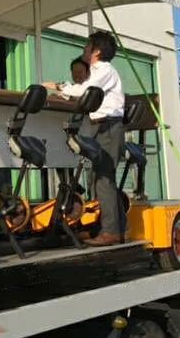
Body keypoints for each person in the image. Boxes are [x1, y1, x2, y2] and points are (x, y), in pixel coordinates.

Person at [45, 30, 126, 245]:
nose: (84, 49)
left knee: (103, 179)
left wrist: (59, 86)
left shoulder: (104, 70)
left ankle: (111, 232)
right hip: (102, 126)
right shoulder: (99, 71)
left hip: (108, 126)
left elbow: (85, 91)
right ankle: (116, 229)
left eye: (87, 46)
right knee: (103, 179)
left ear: (96, 52)